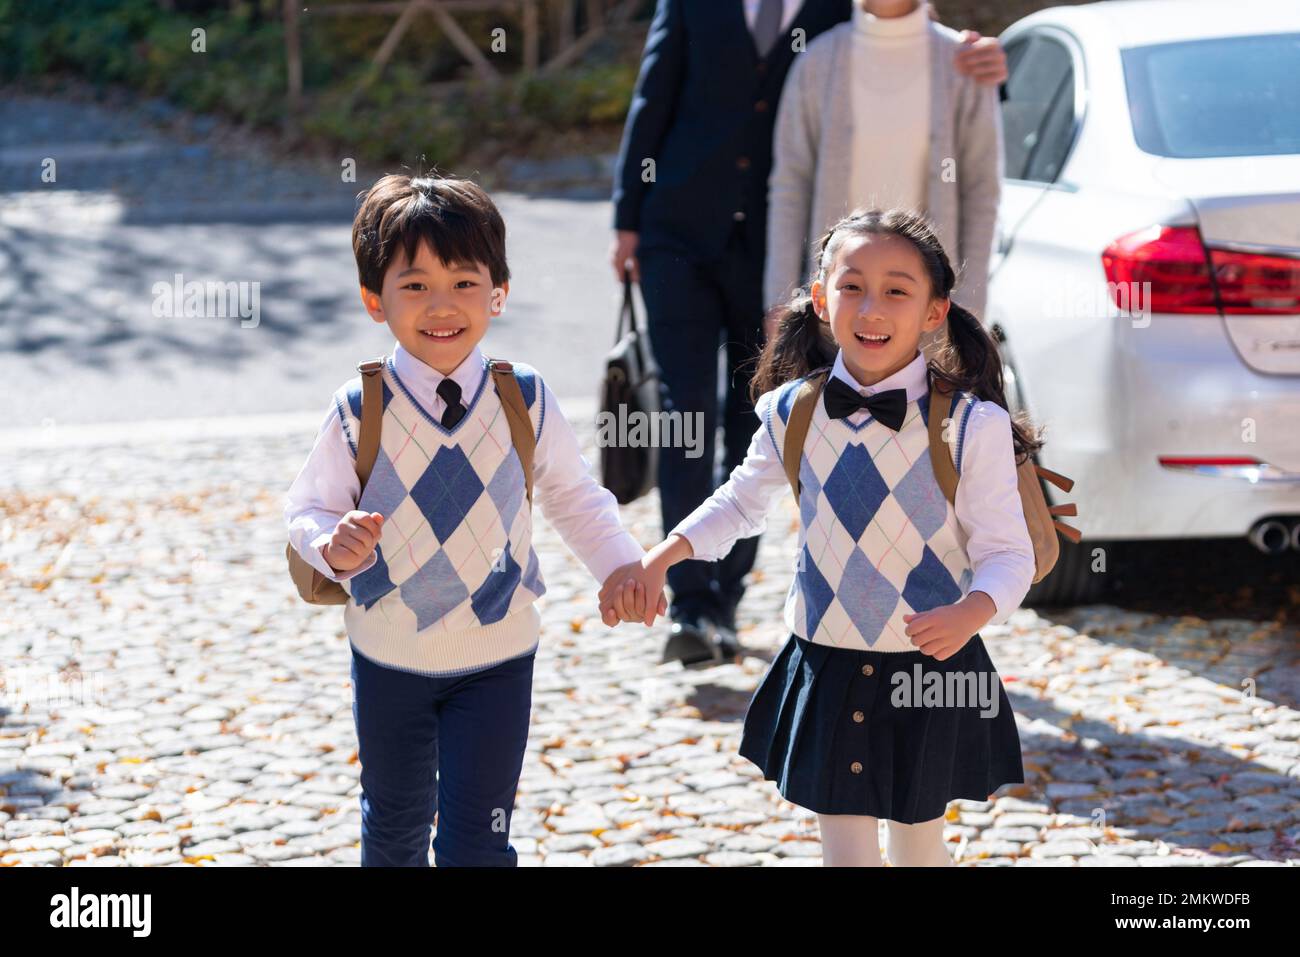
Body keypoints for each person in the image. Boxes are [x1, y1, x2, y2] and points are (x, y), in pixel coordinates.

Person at [601, 207, 1038, 866]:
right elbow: (740, 502)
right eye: (852, 285)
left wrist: (972, 612)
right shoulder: (793, 410)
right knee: (844, 852)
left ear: (933, 311)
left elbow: (1008, 553)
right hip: (826, 656)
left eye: (897, 289)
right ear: (820, 298)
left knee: (920, 848)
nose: (871, 306)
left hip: (929, 667)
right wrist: (664, 555)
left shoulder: (968, 425)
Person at [609, 0, 1008, 666]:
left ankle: (737, 601)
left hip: (790, 255)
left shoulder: (834, 15)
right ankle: (693, 602)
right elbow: (655, 97)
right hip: (682, 234)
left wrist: (994, 64)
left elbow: (923, 61)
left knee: (758, 417)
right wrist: (629, 215)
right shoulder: (714, 11)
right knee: (690, 411)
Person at [283, 173, 657, 867]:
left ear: (498, 292)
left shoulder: (526, 397)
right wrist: (331, 545)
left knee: (477, 842)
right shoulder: (359, 408)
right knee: (392, 830)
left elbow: (576, 497)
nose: (441, 305)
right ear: (375, 299)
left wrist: (620, 564)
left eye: (462, 281)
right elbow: (306, 508)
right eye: (415, 284)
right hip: (389, 655)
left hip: (499, 657)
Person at [765, 0, 1004, 348]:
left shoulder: (964, 63)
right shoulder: (817, 61)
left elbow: (982, 193)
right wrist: (780, 301)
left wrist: (968, 308)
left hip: (929, 318)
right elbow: (790, 188)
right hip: (835, 314)